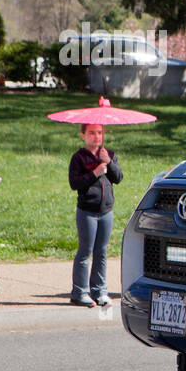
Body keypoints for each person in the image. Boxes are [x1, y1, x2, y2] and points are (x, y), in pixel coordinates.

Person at [68, 123, 122, 306]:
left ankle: (99, 291)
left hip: (106, 211)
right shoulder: (78, 158)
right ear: (83, 135)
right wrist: (95, 173)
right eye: (91, 133)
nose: (96, 137)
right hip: (87, 212)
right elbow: (74, 183)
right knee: (85, 251)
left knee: (102, 252)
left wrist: (109, 162)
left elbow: (118, 178)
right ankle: (79, 292)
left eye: (99, 133)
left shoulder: (109, 154)